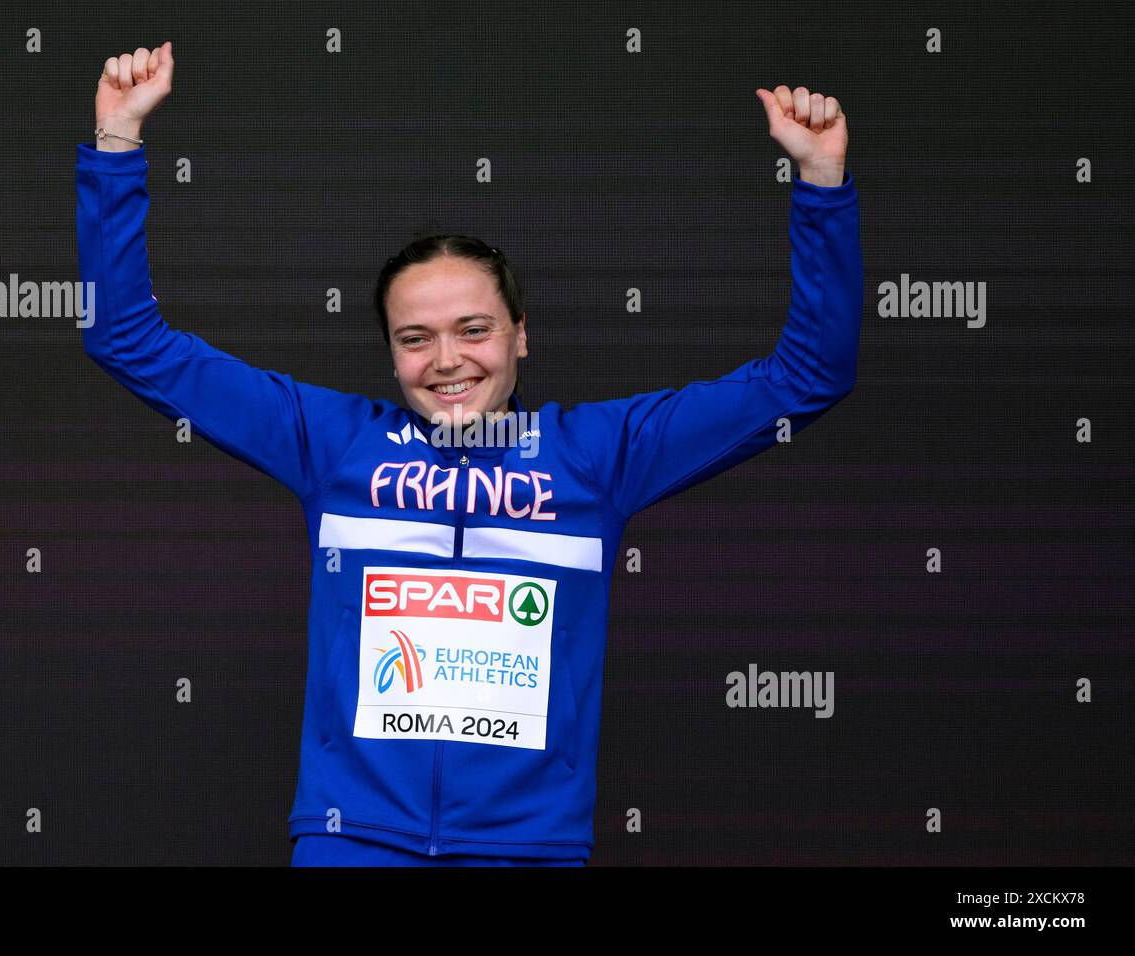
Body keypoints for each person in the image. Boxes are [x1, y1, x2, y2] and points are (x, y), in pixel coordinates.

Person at [78, 42, 861, 867]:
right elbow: (127, 338)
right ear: (390, 354)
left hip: (527, 849)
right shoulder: (332, 443)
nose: (447, 360)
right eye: (416, 339)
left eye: (474, 330)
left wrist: (820, 187)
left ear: (521, 336)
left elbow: (807, 376)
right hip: (353, 844)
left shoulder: (595, 457)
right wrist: (118, 142)